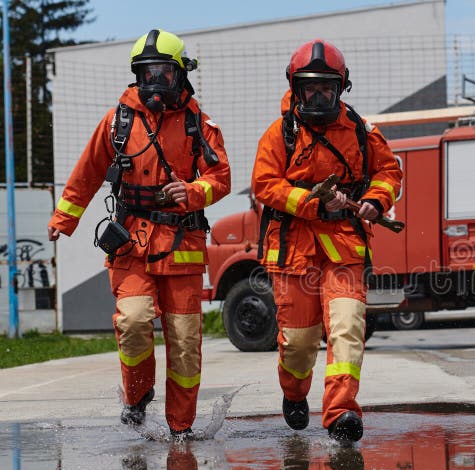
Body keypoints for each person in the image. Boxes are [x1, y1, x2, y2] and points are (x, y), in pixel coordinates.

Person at [47, 29, 231, 441]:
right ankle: (136, 398)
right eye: (146, 73)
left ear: (180, 75)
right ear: (136, 76)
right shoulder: (119, 119)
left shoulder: (199, 123)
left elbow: (221, 177)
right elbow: (88, 172)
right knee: (132, 321)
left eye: (163, 73)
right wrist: (64, 218)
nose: (154, 83)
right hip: (130, 243)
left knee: (184, 342)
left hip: (181, 246)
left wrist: (193, 191)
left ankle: (180, 429)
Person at [251, 39, 402, 442]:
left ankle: (340, 414)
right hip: (293, 250)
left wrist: (374, 199)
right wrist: (312, 201)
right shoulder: (279, 134)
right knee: (299, 344)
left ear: (341, 87)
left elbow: (389, 172)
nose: (318, 95)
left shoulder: (361, 131)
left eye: (326, 87)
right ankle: (294, 392)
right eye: (310, 87)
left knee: (348, 327)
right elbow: (264, 185)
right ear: (296, 87)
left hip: (345, 248)